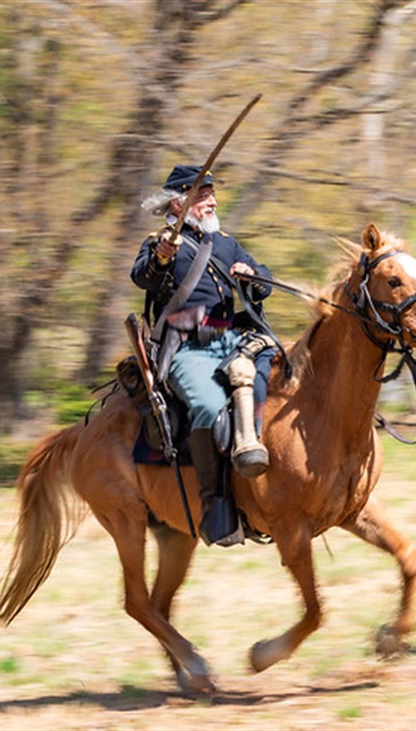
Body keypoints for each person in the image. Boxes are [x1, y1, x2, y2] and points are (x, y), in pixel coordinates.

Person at [131, 164, 277, 525]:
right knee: (209, 407)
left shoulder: (224, 242)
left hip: (232, 340)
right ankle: (216, 504)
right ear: (178, 205)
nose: (212, 201)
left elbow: (266, 283)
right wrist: (162, 255)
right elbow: (143, 276)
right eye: (202, 195)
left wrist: (253, 276)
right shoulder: (159, 243)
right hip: (187, 348)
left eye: (211, 193)